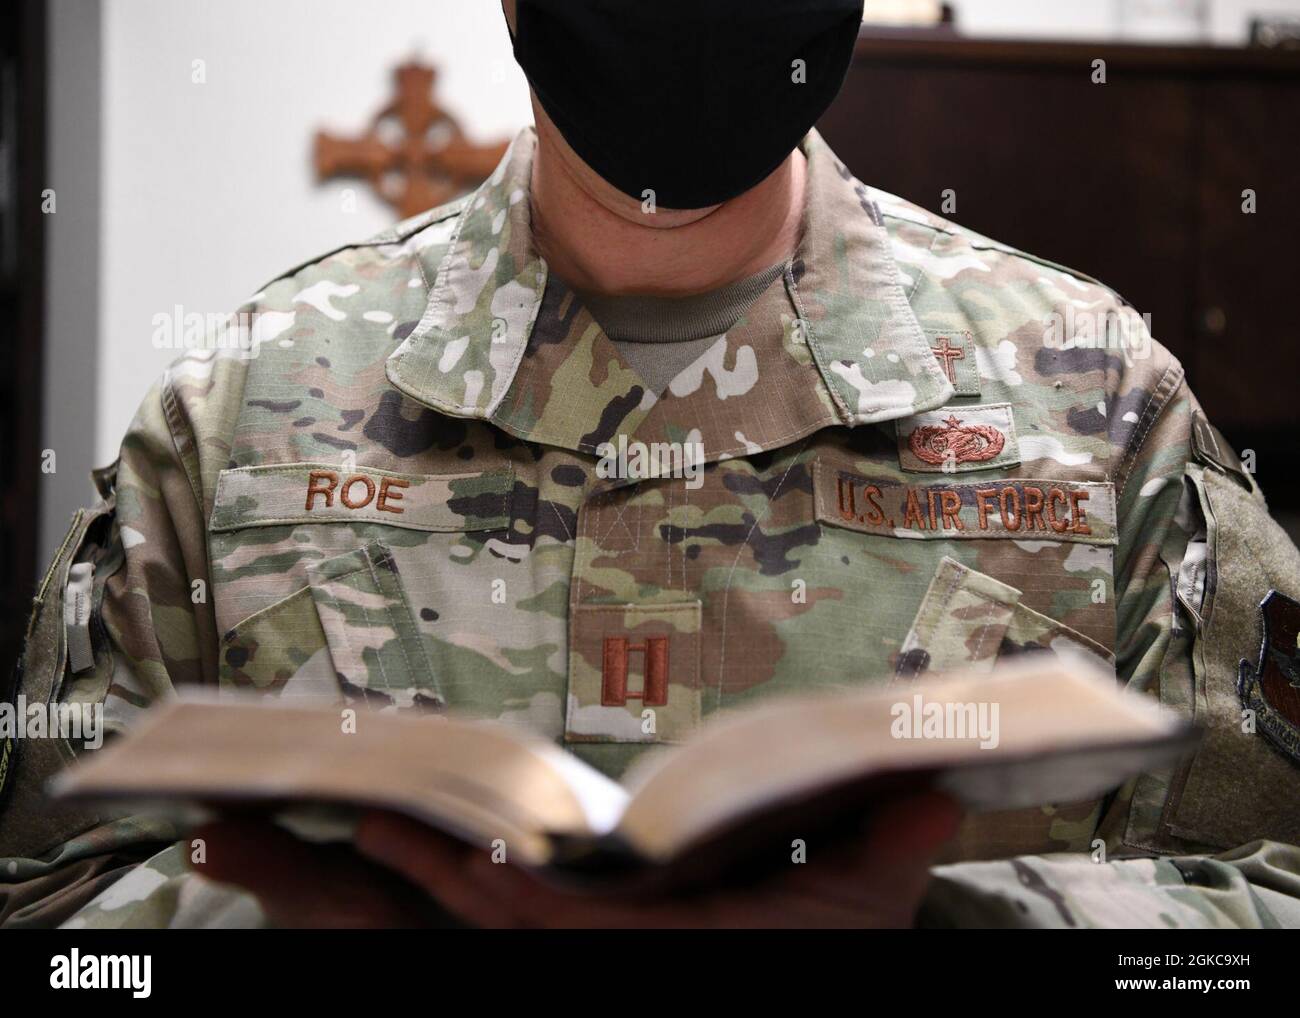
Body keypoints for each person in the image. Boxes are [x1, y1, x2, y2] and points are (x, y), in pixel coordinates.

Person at [3, 0, 1298, 929]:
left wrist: (942, 922)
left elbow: (1270, 881)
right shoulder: (241, 407)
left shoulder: (1097, 404)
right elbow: (56, 910)